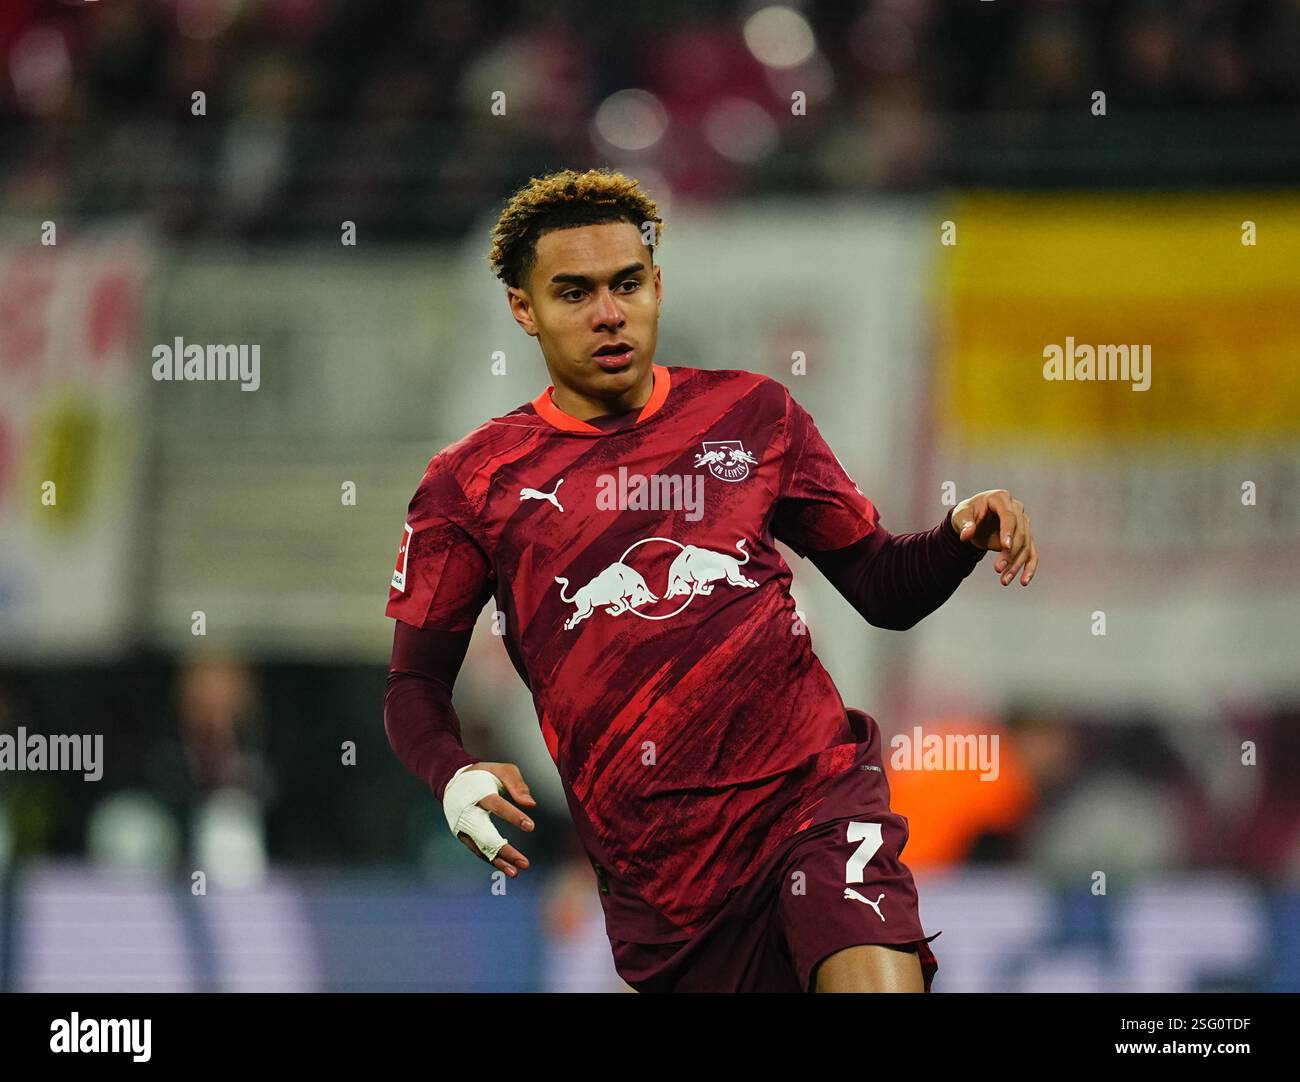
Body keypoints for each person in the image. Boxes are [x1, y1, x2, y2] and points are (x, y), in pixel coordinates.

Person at [383, 167, 1038, 992]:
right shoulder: (472, 482)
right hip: (666, 883)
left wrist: (954, 537)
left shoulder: (753, 416)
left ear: (657, 284)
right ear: (524, 309)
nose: (609, 313)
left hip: (813, 803)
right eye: (574, 293)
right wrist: (453, 772)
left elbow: (881, 587)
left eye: (627, 284)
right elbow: (413, 685)